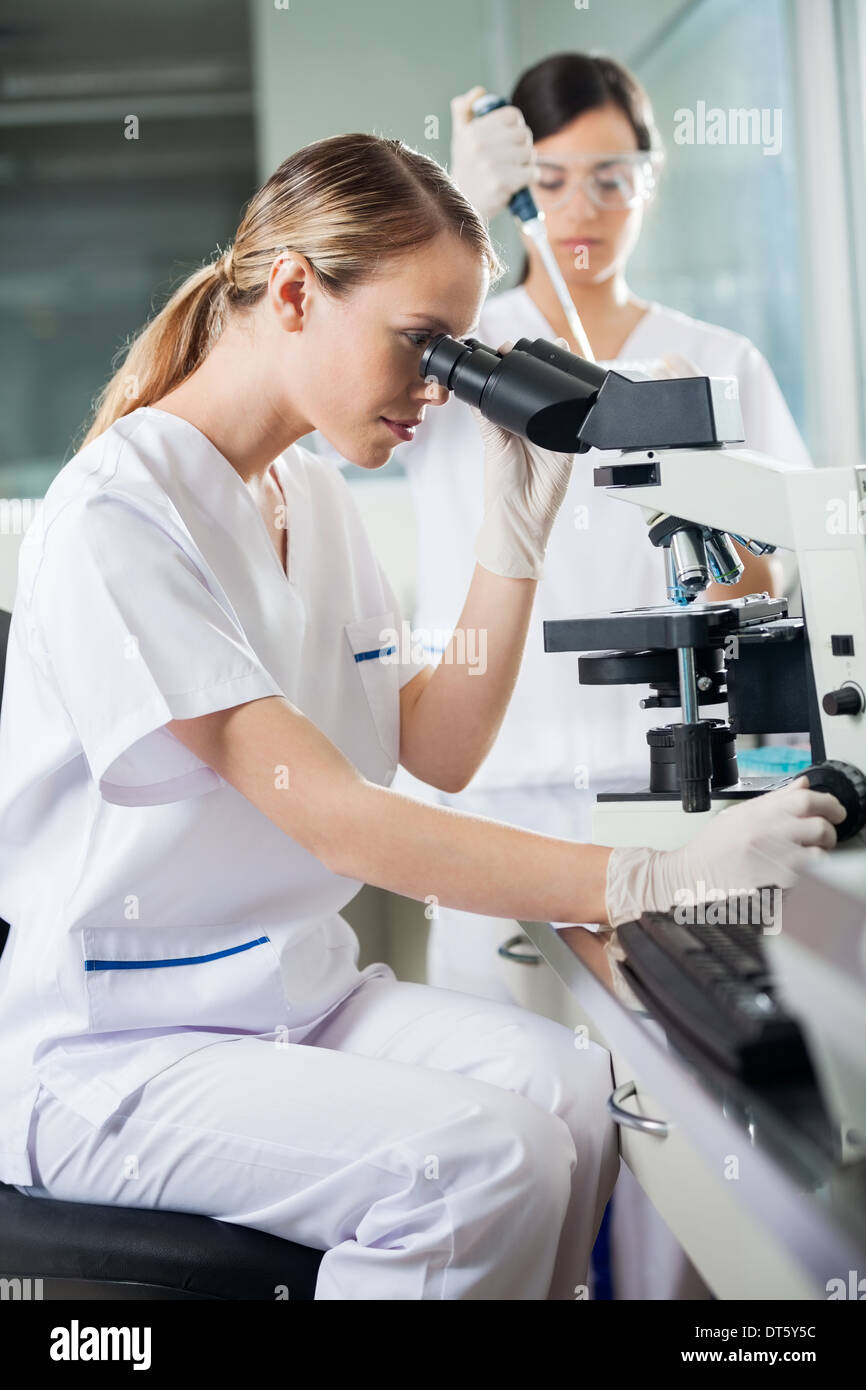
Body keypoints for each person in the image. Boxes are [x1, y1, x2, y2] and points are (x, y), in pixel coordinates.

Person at [0, 132, 842, 1302]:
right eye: (420, 343)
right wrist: (642, 879)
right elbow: (335, 818)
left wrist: (513, 543)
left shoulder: (313, 494)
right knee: (475, 1168)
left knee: (574, 1098)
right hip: (116, 1053)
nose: (438, 386)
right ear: (293, 292)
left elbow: (437, 746)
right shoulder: (117, 513)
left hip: (299, 1002)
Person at [312, 54, 818, 1299]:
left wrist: (737, 575)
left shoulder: (718, 358)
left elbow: (789, 572)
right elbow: (343, 367)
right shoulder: (465, 346)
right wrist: (462, 214)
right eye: (547, 181)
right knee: (503, 1164)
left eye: (610, 177)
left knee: (684, 1169)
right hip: (487, 817)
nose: (582, 208)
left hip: (675, 819)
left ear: (652, 179)